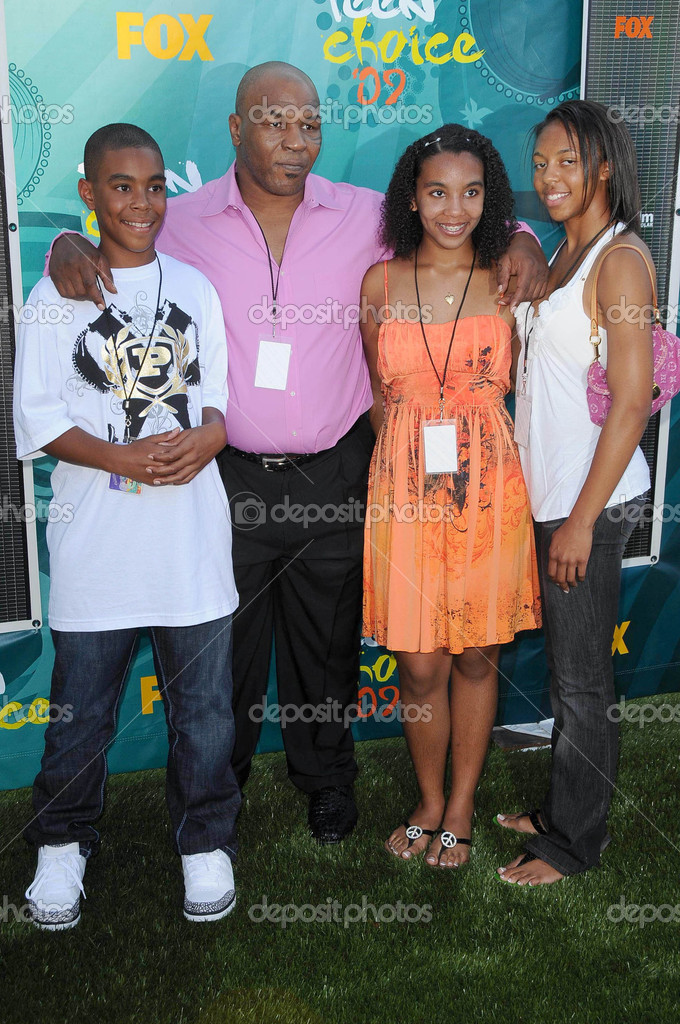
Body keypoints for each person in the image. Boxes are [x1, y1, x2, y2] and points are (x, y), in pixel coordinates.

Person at [46, 62, 549, 845]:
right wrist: (64, 244)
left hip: (337, 468)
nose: (295, 139)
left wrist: (525, 241)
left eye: (309, 122)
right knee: (229, 651)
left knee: (327, 644)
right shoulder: (181, 218)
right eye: (274, 121)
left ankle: (327, 781)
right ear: (235, 128)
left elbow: (457, 222)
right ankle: (221, 787)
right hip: (228, 475)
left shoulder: (364, 214)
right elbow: (118, 233)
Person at [14, 124, 241, 928]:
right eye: (120, 186)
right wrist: (123, 458)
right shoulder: (55, 297)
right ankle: (61, 843)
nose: (140, 202)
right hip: (96, 547)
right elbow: (38, 420)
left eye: (152, 186)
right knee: (80, 715)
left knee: (205, 715)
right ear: (88, 193)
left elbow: (218, 403)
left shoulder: (195, 287)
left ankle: (205, 842)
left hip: (190, 544)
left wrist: (209, 438)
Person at [361, 124, 541, 868]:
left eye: (471, 193)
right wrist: (408, 466)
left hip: (488, 496)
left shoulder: (509, 279)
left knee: (474, 659)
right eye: (437, 192)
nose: (454, 209)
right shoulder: (379, 284)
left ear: (489, 199)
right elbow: (379, 399)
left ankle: (460, 804)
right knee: (420, 666)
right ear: (412, 198)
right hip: (403, 496)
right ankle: (427, 798)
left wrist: (528, 244)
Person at [495, 99, 653, 885]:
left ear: (603, 167)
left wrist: (582, 522)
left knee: (583, 682)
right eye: (540, 163)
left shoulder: (619, 260)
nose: (549, 176)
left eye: (566, 161)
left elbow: (632, 402)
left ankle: (574, 843)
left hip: (588, 502)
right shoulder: (563, 249)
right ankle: (564, 808)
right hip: (550, 495)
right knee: (568, 673)